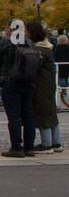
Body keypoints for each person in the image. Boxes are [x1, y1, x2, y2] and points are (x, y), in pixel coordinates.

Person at [0, 21, 39, 157]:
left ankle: (16, 147)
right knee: (28, 114)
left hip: (10, 82)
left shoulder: (4, 43)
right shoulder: (29, 42)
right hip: (28, 82)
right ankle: (29, 147)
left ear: (10, 28)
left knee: (14, 116)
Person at [29, 21, 62, 153]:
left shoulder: (39, 50)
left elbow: (33, 68)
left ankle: (46, 144)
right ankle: (56, 142)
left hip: (40, 85)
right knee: (51, 112)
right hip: (48, 84)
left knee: (42, 112)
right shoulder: (47, 48)